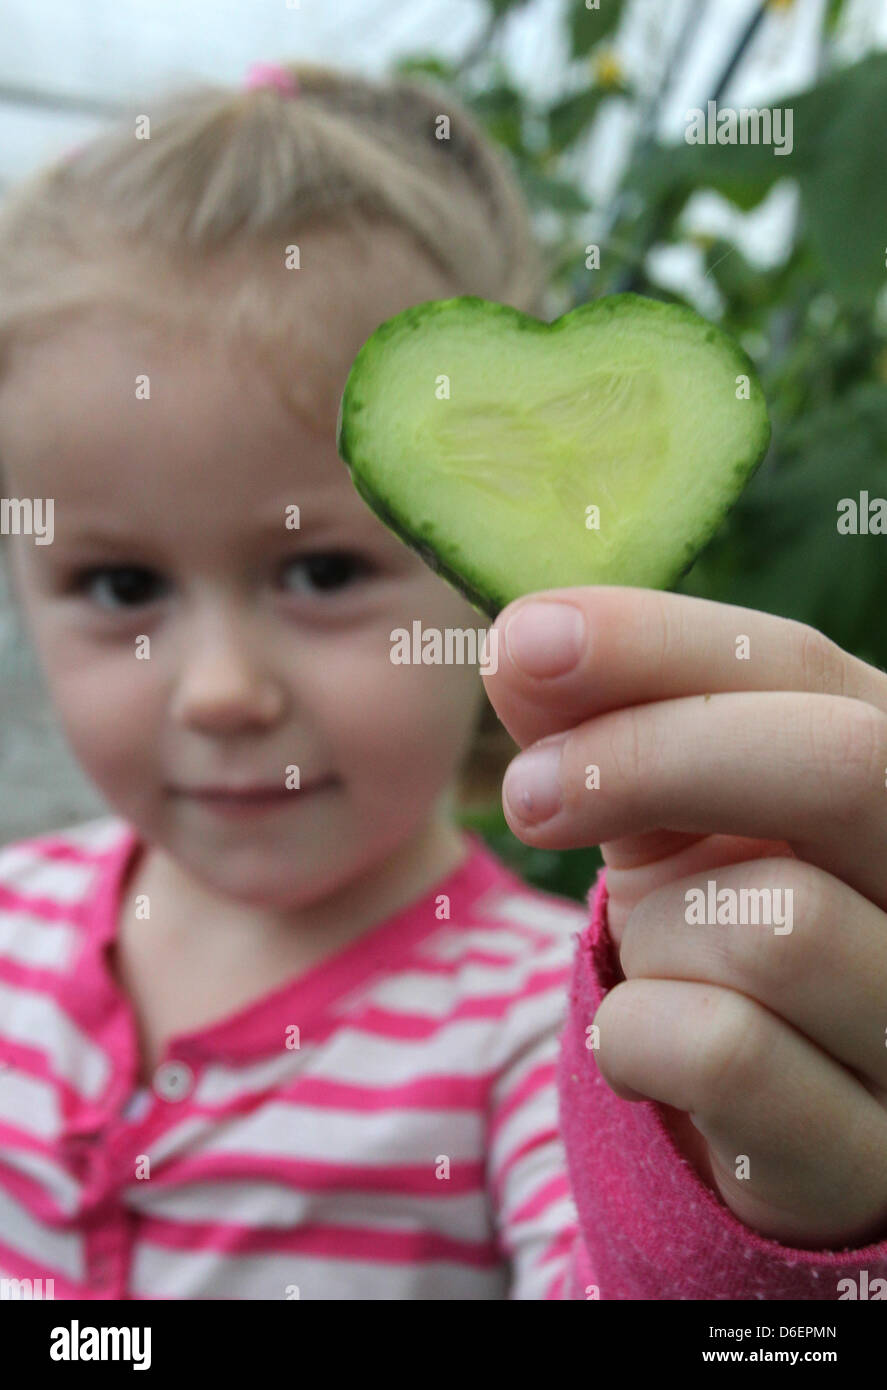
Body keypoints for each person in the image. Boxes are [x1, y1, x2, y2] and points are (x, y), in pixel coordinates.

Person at [0, 58, 884, 1302]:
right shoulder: (11, 922)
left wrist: (741, 1215)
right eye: (120, 588)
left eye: (316, 572)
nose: (216, 692)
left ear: (487, 569)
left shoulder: (566, 1032)